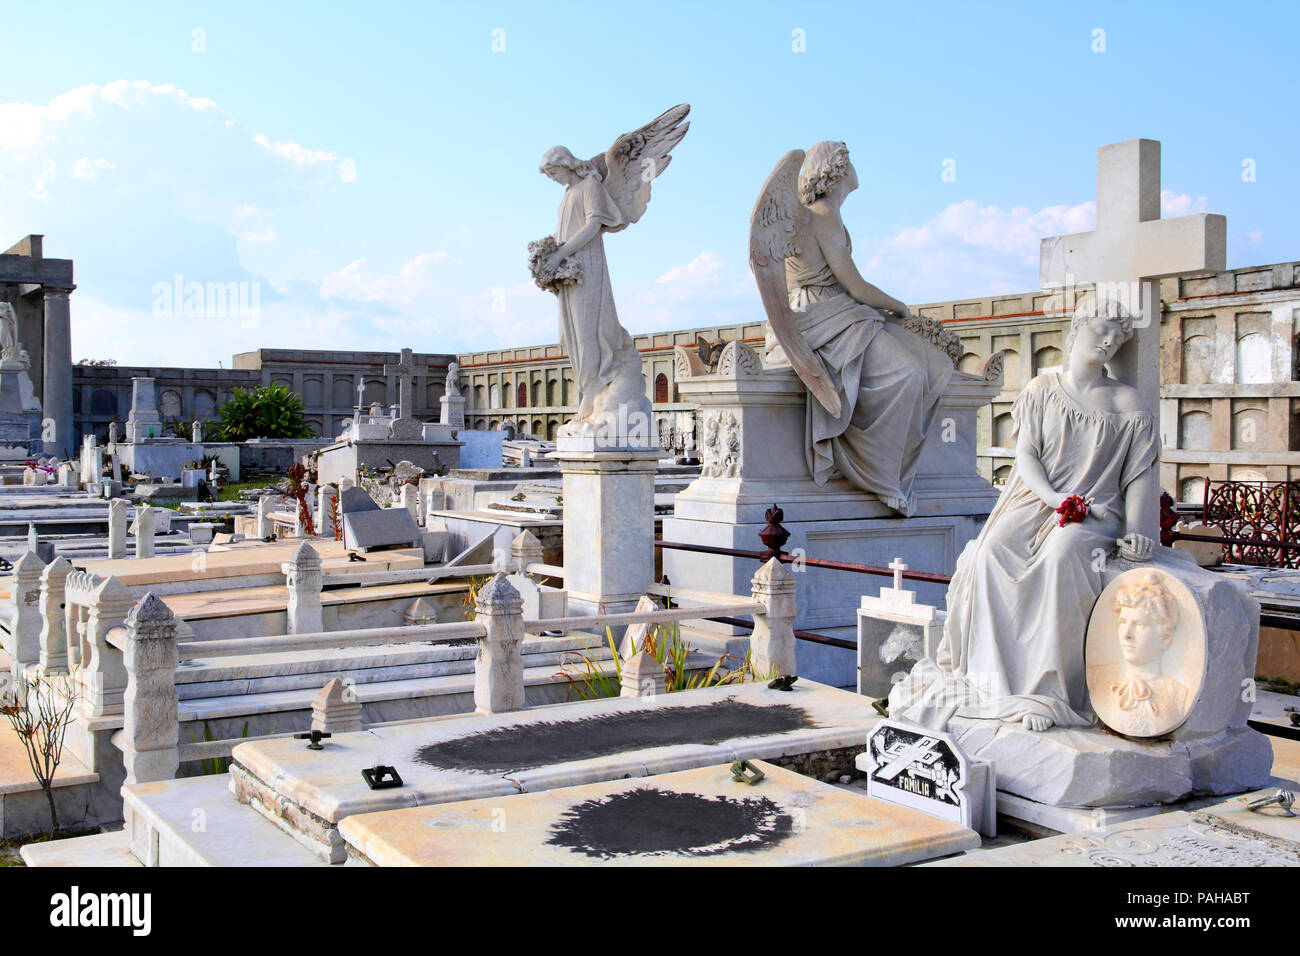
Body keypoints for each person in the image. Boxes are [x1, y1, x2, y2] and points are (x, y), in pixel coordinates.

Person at [888, 298, 1161, 732]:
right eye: (1102, 330)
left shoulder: (1127, 403)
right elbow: (1027, 457)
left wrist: (1139, 530)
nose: (1109, 342)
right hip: (1035, 500)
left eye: (1118, 337)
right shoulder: (1041, 389)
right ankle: (992, 683)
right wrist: (1053, 497)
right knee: (988, 555)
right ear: (1077, 329)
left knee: (1060, 557)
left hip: (1094, 510)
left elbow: (1139, 475)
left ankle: (1047, 692)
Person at [785, 142, 952, 515]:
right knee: (909, 371)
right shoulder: (822, 215)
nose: (854, 167)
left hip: (839, 312)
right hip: (824, 316)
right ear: (836, 169)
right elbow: (856, 286)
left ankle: (886, 467)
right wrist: (898, 306)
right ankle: (880, 475)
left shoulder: (822, 215)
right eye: (849, 160)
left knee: (930, 360)